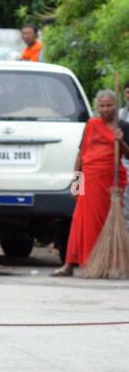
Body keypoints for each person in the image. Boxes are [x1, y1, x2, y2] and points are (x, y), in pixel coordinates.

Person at [53, 89, 129, 276]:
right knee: (79, 222)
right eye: (102, 106)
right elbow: (81, 154)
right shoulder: (92, 124)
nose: (105, 109)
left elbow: (128, 155)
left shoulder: (123, 127)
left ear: (116, 105)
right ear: (97, 107)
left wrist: (121, 141)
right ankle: (69, 264)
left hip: (110, 183)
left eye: (109, 105)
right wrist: (76, 184)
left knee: (104, 224)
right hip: (89, 179)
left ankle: (103, 264)